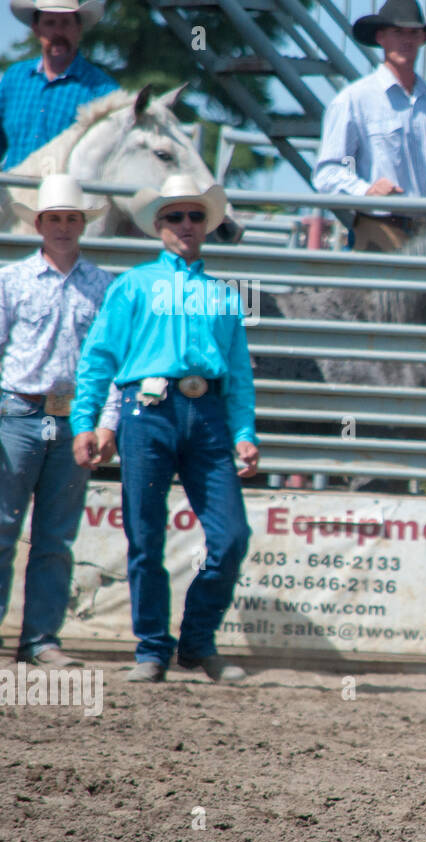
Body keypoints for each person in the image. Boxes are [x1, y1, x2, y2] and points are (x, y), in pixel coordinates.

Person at [71, 174, 258, 683]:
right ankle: (152, 647)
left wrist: (245, 432)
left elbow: (239, 374)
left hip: (209, 416)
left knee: (232, 535)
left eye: (196, 215)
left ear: (207, 225)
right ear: (159, 225)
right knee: (145, 534)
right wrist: (84, 421)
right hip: (144, 413)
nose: (186, 224)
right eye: (175, 216)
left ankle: (196, 641)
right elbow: (98, 358)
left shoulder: (223, 297)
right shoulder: (132, 286)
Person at [0, 174, 116, 667]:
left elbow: (113, 363)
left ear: (81, 224)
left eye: (72, 218)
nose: (64, 227)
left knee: (56, 536)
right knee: (3, 527)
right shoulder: (10, 279)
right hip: (16, 410)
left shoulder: (104, 286)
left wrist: (106, 423)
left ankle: (41, 638)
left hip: (75, 421)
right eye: (56, 219)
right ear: (40, 224)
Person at [312, 0, 426, 252]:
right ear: (380, 37)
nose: (407, 40)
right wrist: (366, 190)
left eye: (414, 32)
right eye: (398, 32)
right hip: (380, 229)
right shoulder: (354, 100)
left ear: (423, 38)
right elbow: (327, 172)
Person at [0, 0, 117, 170]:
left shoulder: (103, 90)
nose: (58, 32)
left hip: (66, 193)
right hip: (12, 189)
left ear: (79, 28)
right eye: (50, 23)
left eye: (65, 23)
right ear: (36, 29)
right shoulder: (14, 78)